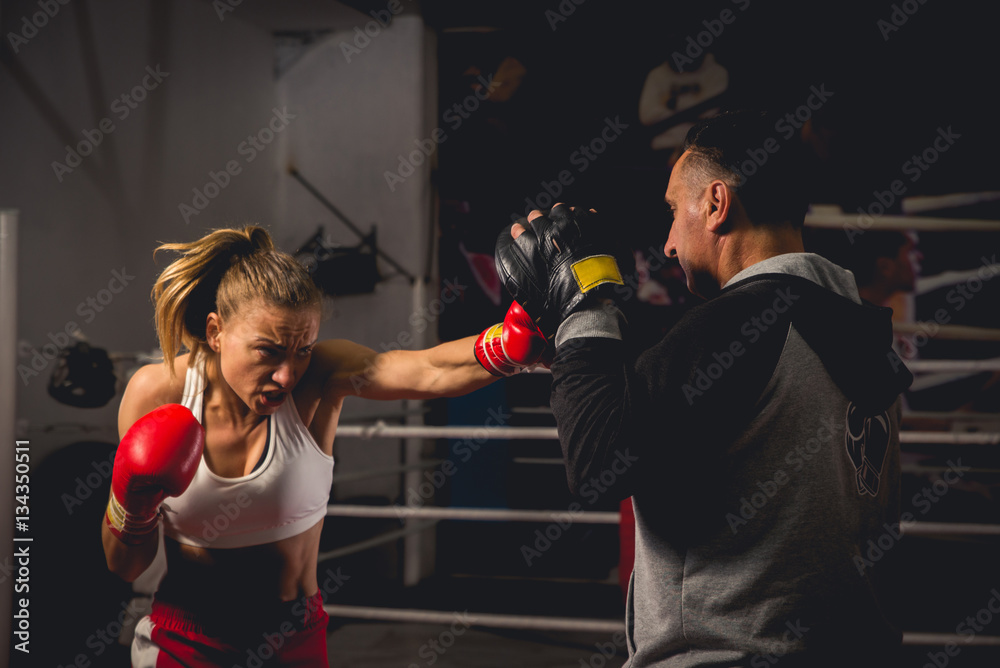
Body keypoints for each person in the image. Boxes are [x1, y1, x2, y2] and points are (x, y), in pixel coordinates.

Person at [496, 111, 914, 667]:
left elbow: (597, 463)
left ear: (716, 204)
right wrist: (585, 353)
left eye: (673, 210)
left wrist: (583, 309)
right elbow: (688, 402)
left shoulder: (743, 323)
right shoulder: (856, 327)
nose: (668, 244)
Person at [102, 224, 547, 667]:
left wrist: (510, 344)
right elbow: (124, 566)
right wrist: (133, 505)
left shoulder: (319, 379)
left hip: (292, 641)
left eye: (302, 350)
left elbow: (426, 370)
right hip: (187, 644)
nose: (287, 375)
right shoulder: (157, 393)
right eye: (268, 351)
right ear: (216, 331)